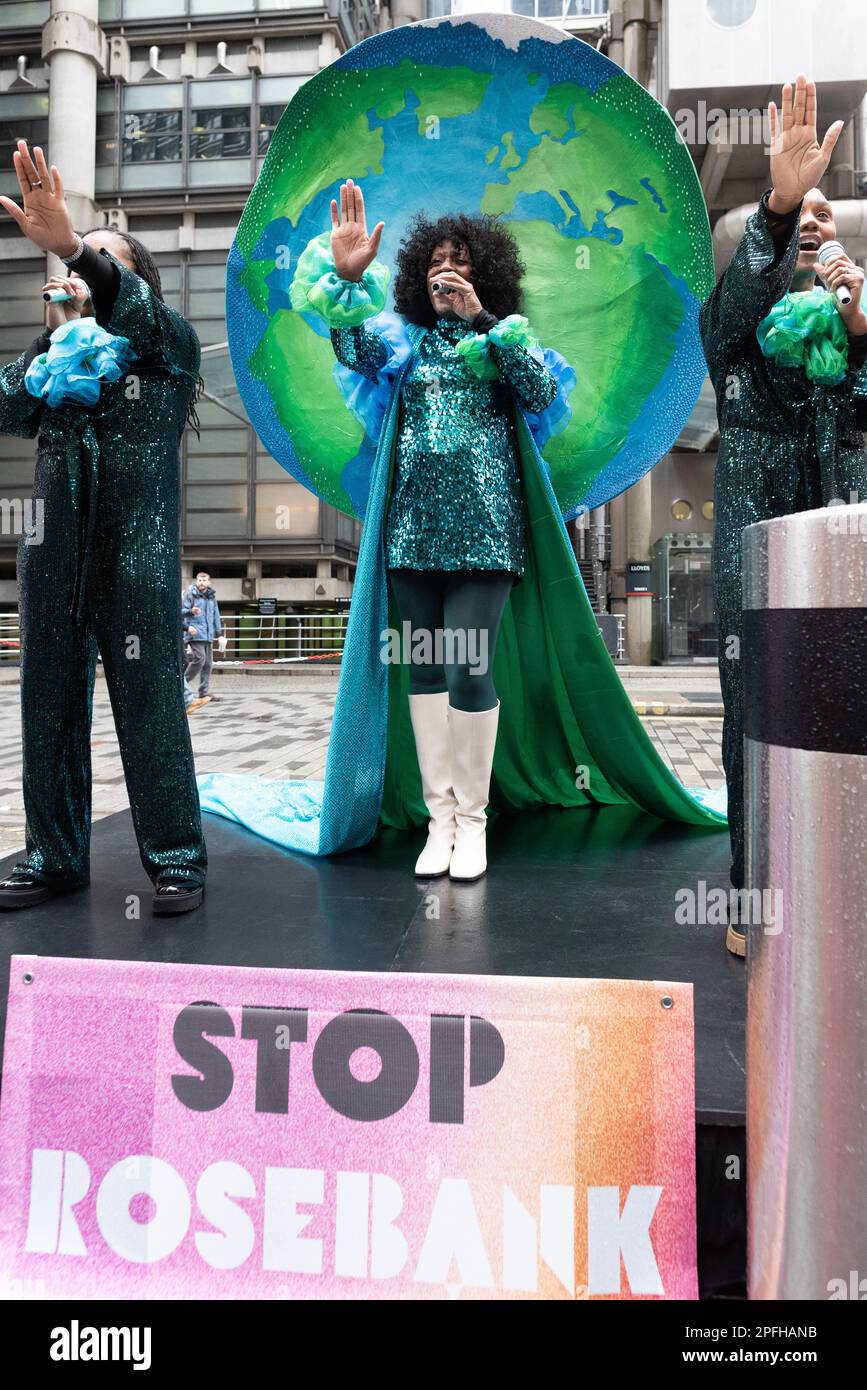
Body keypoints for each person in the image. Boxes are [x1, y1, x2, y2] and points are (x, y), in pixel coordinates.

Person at [198, 180, 727, 868]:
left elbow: (538, 391)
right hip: (411, 532)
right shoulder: (402, 345)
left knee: (469, 669)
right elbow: (355, 355)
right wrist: (347, 282)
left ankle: (471, 822)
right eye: (434, 262)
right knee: (422, 672)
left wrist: (481, 318)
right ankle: (438, 818)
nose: (446, 270)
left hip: (485, 533)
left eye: (461, 261)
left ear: (486, 273)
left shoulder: (506, 340)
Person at [0, 139, 207, 915]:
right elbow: (6, 406)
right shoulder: (52, 363)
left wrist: (74, 246)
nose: (77, 280)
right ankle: (54, 855)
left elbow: (133, 308)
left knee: (150, 703)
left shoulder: (167, 353)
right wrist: (53, 336)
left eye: (98, 269)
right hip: (51, 557)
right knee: (47, 703)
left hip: (136, 558)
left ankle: (176, 860)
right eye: (67, 274)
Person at [700, 76, 867, 957]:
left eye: (824, 222)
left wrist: (858, 319)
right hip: (755, 544)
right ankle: (750, 891)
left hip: (845, 545)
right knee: (753, 718)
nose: (811, 228)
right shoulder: (734, 330)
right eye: (797, 224)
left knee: (845, 713)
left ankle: (844, 888)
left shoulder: (853, 330)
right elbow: (731, 315)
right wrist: (774, 201)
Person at [183, 570, 222, 702]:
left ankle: (203, 692)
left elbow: (216, 615)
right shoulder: (190, 594)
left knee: (208, 664)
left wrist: (219, 633)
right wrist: (190, 611)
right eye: (199, 580)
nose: (202, 582)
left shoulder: (212, 597)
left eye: (204, 580)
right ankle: (181, 684)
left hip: (208, 634)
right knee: (200, 659)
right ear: (196, 581)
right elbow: (180, 611)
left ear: (208, 582)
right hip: (195, 633)